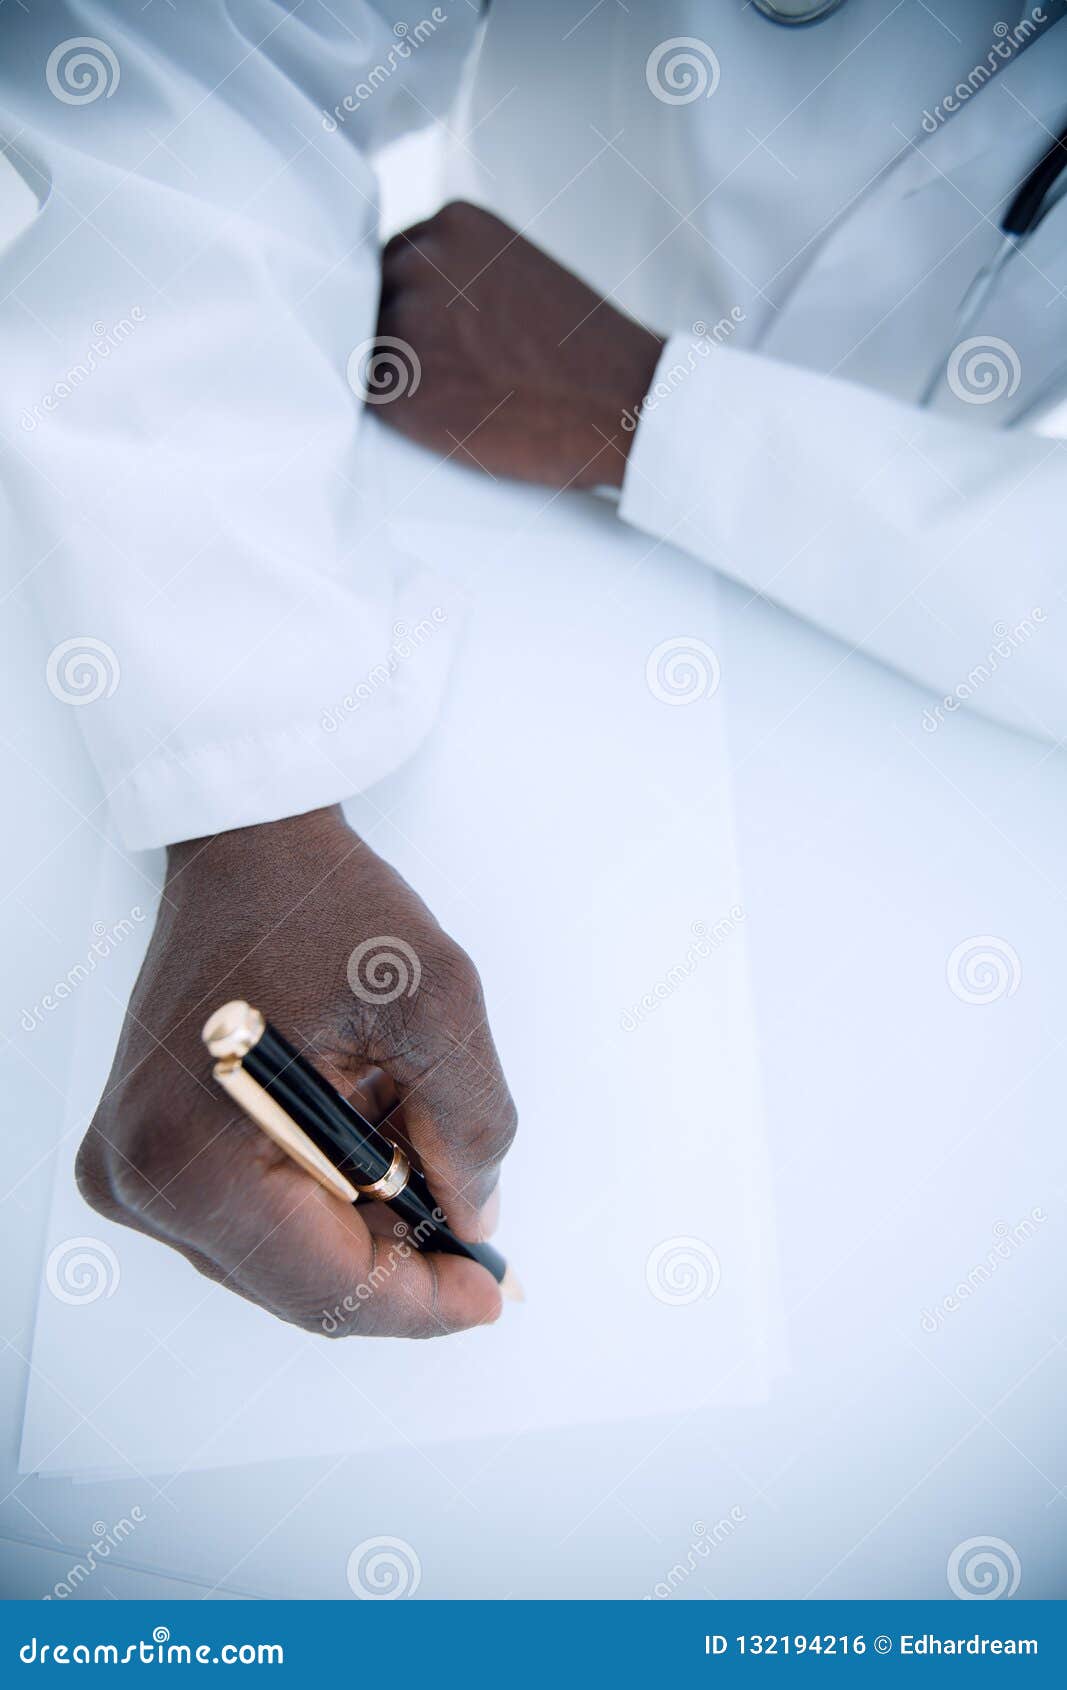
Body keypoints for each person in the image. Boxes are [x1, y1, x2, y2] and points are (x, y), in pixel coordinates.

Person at [3, 0, 1065, 1339]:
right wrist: (249, 797)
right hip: (427, 410)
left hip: (877, 667)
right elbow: (180, 50)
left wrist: (663, 411)